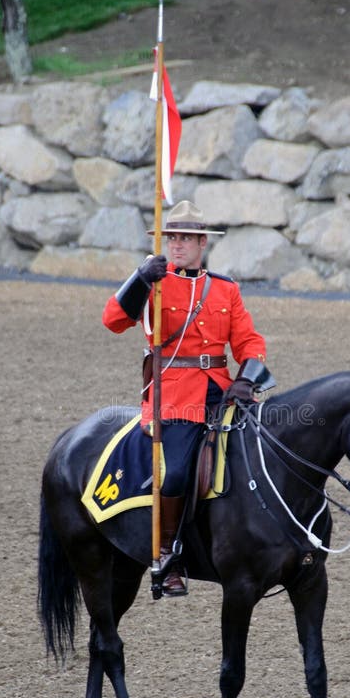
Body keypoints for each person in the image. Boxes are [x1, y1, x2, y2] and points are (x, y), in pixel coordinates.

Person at [102, 200, 274, 595]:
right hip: (174, 393)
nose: (177, 245)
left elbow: (249, 340)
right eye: (172, 237)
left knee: (265, 450)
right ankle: (167, 554)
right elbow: (112, 321)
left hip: (222, 388)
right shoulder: (154, 282)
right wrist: (140, 278)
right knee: (177, 471)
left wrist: (248, 377)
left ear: (202, 244)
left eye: (185, 238)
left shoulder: (226, 289)